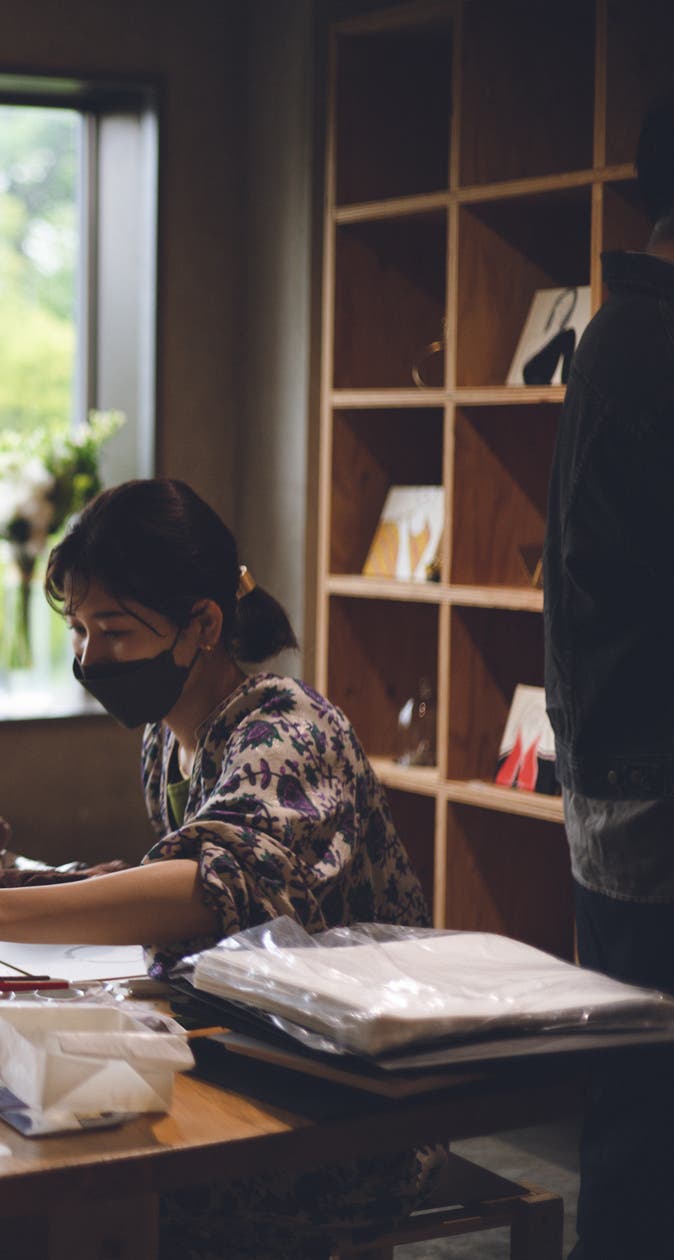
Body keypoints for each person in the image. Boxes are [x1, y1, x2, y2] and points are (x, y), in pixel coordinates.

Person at [0, 478, 437, 1259]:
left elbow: (212, 886)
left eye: (115, 631)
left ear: (203, 624)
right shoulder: (169, 739)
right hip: (231, 1053)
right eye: (80, 631)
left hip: (345, 1107)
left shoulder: (291, 729)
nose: (91, 658)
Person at [543, 91, 674, 1260]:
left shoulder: (621, 333)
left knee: (643, 1100)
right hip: (651, 770)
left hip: (621, 759)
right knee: (650, 1111)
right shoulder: (653, 345)